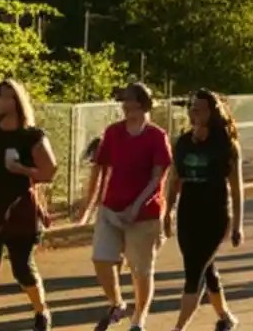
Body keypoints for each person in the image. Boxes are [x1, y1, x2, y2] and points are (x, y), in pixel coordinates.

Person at [0, 79, 57, 331]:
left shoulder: (32, 136)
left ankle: (41, 311)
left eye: (9, 97)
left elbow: (48, 172)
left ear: (18, 101)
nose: (3, 102)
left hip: (19, 205)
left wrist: (22, 169)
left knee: (22, 266)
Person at [84, 82, 172, 331]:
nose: (126, 106)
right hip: (111, 208)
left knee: (140, 269)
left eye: (131, 101)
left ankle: (139, 318)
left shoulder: (157, 136)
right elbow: (100, 168)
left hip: (144, 214)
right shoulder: (113, 132)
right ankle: (117, 303)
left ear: (143, 104)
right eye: (124, 102)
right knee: (101, 259)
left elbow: (158, 176)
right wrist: (91, 204)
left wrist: (136, 207)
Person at [164, 89, 245, 331]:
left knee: (194, 272)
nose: (194, 111)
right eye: (192, 107)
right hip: (188, 212)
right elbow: (174, 179)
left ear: (212, 112)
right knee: (204, 268)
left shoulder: (227, 146)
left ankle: (178, 328)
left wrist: (238, 225)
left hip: (215, 214)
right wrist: (167, 211)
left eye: (199, 107)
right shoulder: (183, 142)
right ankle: (226, 318)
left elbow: (237, 188)